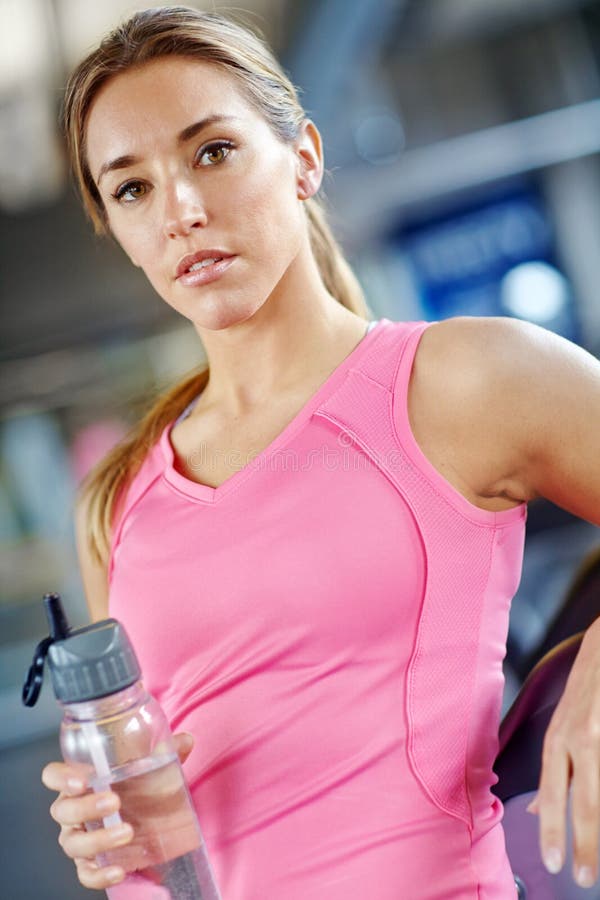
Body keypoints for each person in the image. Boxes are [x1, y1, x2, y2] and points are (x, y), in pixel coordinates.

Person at [40, 6, 600, 899]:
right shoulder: (115, 503)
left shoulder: (462, 380)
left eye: (212, 151)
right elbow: (159, 818)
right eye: (132, 188)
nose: (181, 209)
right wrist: (108, 834)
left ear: (303, 157)